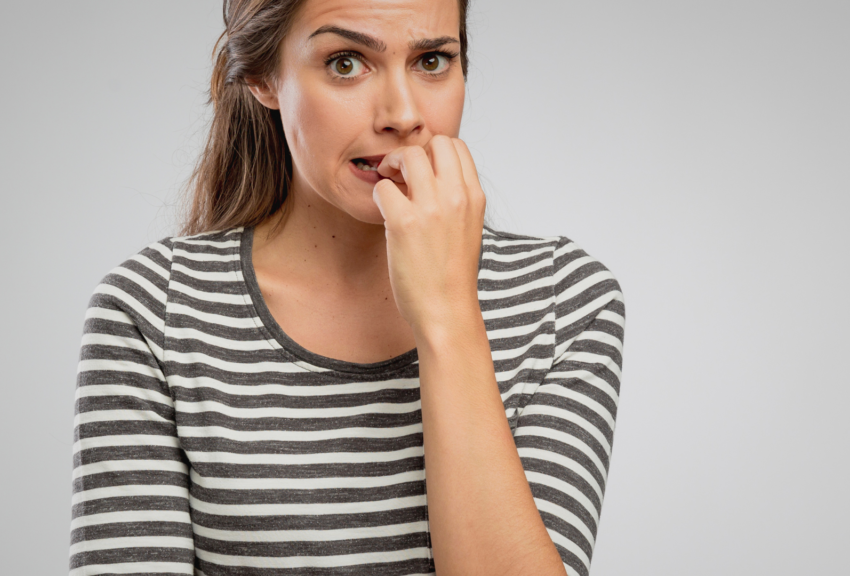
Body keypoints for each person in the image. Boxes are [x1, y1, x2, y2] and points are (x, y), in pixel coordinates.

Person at [68, 0, 625, 574]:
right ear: (263, 75)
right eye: (345, 63)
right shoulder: (153, 313)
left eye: (431, 60)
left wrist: (446, 313)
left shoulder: (563, 300)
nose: (403, 114)